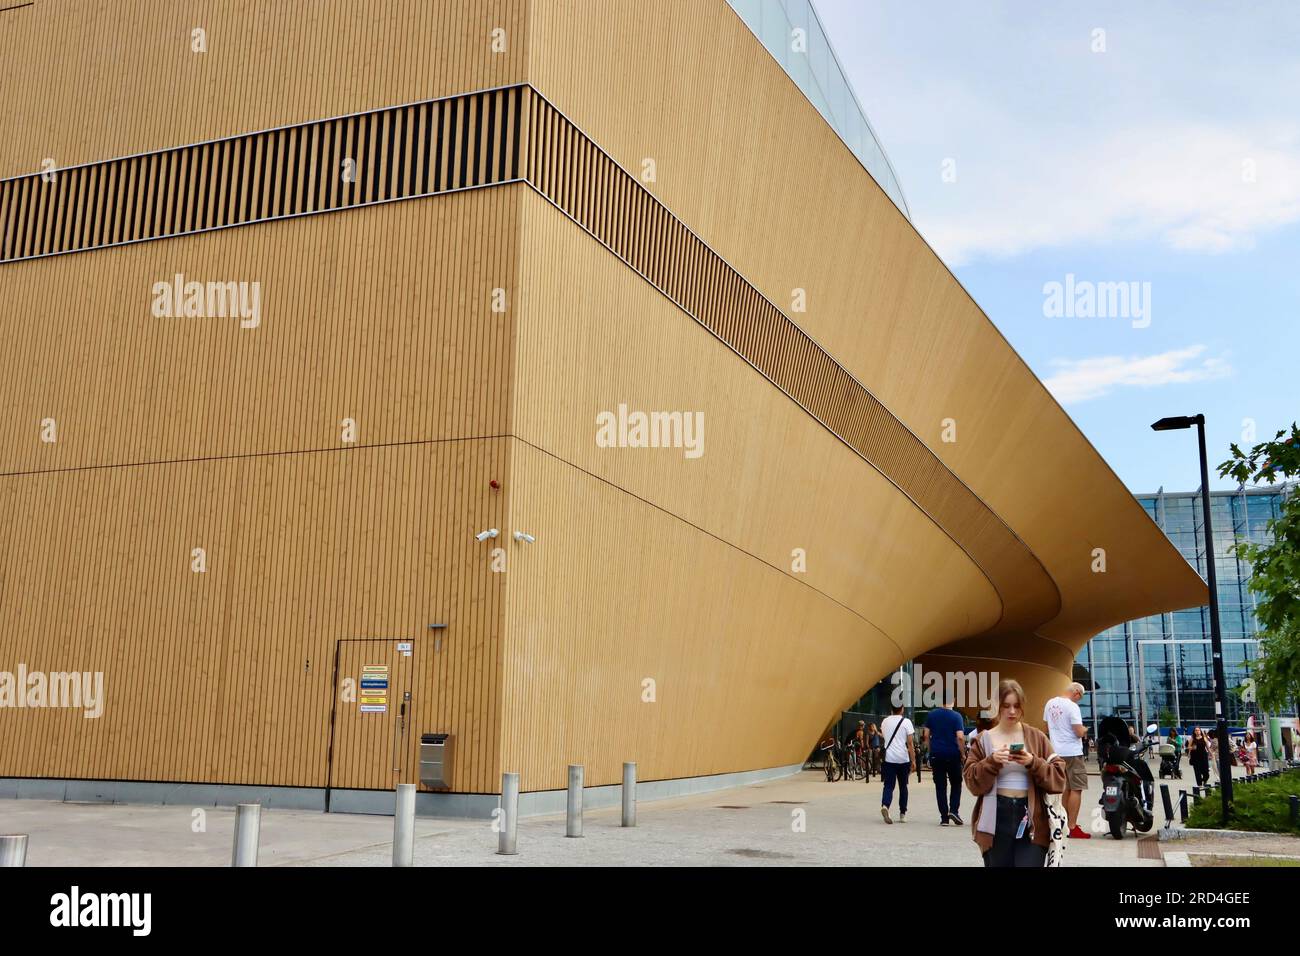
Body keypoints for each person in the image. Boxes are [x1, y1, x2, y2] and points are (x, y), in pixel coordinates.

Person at [963, 680, 1066, 866]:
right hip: (995, 819)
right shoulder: (982, 740)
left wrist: (1032, 762)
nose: (1012, 711)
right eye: (1006, 706)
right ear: (996, 706)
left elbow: (1059, 778)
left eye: (1017, 706)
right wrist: (992, 761)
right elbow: (971, 782)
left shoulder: (1037, 737)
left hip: (1031, 819)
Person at [1043, 682, 1090, 839]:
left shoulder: (1050, 703)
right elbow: (1078, 731)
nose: (1079, 700)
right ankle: (1072, 826)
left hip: (1056, 752)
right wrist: (1085, 730)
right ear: (1076, 692)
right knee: (1076, 788)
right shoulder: (1072, 707)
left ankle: (1062, 823)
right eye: (1080, 697)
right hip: (1073, 752)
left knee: (1064, 789)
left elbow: (1045, 728)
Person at [923, 694, 966, 826]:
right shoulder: (957, 716)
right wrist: (963, 753)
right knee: (956, 782)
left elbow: (925, 735)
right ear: (953, 701)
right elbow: (959, 737)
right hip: (953, 754)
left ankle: (944, 817)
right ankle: (954, 810)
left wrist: (930, 751)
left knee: (940, 786)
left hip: (937, 754)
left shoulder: (932, 715)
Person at [879, 703, 915, 824]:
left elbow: (884, 736)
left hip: (889, 758)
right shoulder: (907, 722)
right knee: (903, 786)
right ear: (902, 709)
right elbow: (910, 743)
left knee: (888, 785)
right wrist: (913, 760)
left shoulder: (885, 722)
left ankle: (885, 805)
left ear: (891, 709)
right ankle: (903, 813)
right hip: (903, 758)